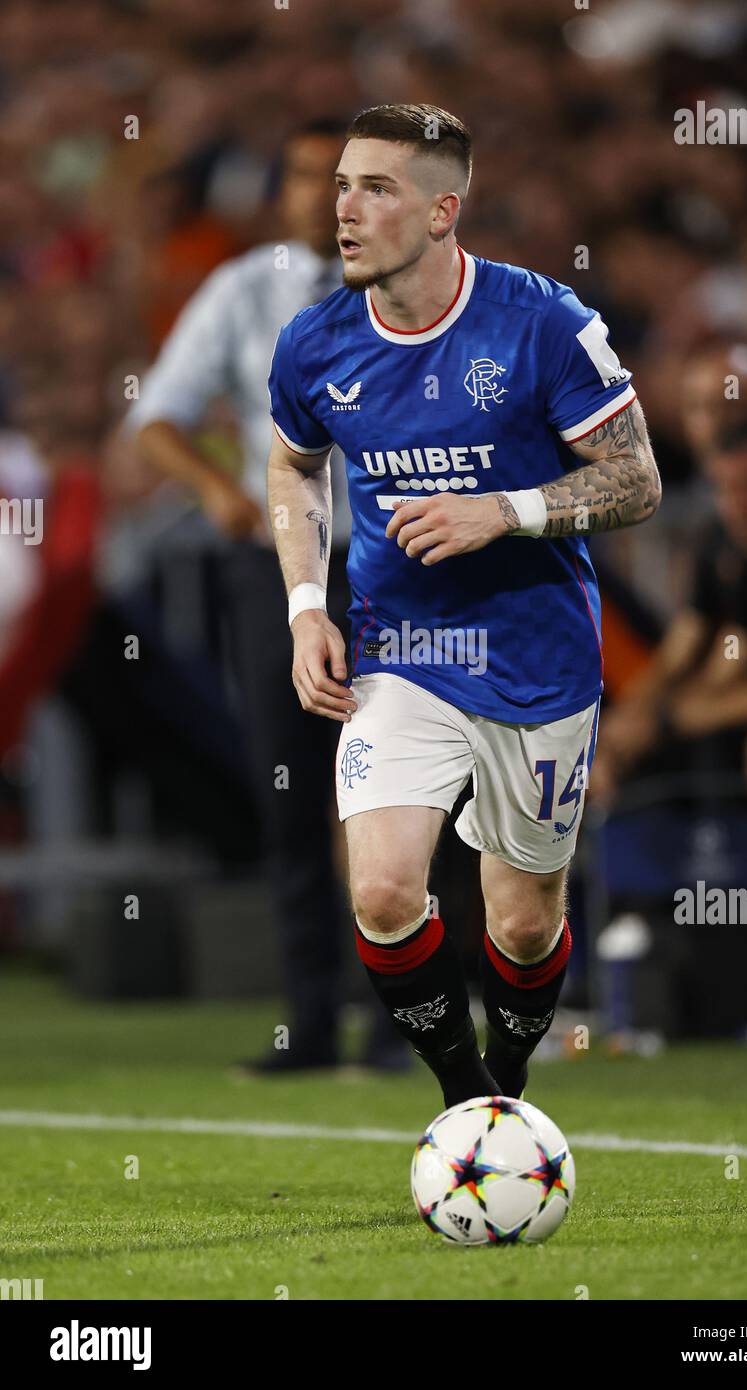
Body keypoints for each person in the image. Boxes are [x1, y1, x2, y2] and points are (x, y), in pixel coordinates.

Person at [266, 103, 661, 1105]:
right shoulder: (314, 344)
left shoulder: (542, 323)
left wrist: (507, 509)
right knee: (385, 888)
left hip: (535, 657)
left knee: (522, 922)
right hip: (397, 647)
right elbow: (294, 469)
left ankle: (512, 1073)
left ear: (443, 211)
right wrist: (307, 603)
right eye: (340, 184)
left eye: (374, 188)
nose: (342, 208)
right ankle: (465, 1103)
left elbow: (636, 479)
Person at [131, 119, 405, 1073]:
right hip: (282, 563)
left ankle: (405, 1018)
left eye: (352, 178)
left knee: (404, 784)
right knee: (291, 788)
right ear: (283, 190)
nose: (327, 196)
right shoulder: (245, 290)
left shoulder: (422, 284)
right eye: (307, 176)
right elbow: (155, 415)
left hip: (403, 559)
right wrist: (217, 490)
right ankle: (314, 1024)